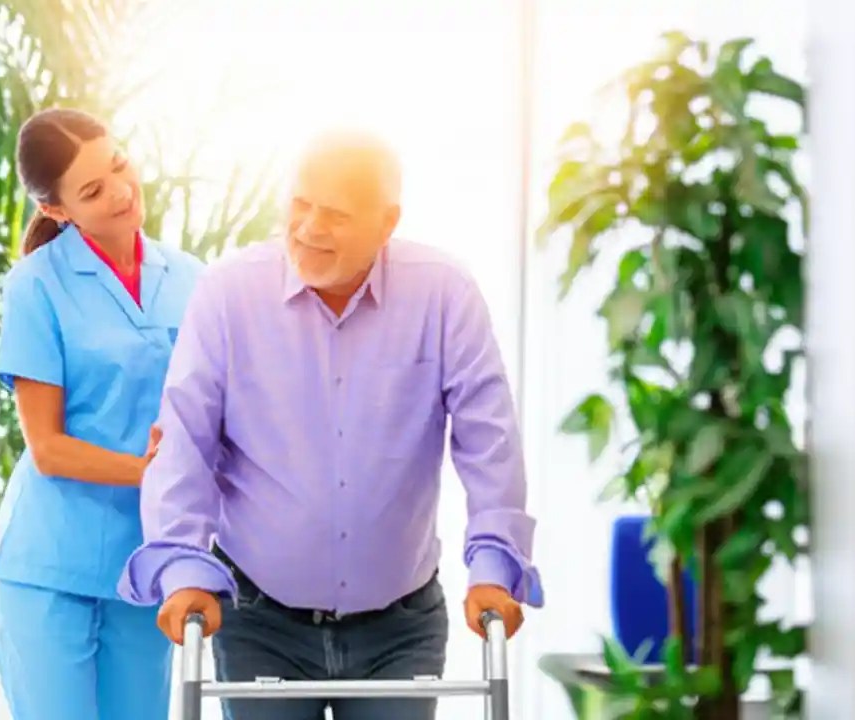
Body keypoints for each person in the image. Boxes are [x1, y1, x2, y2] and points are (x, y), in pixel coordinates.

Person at [117, 129, 544, 720]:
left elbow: (489, 435)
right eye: (300, 205)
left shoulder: (443, 293)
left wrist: (494, 564)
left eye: (336, 214)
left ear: (386, 222)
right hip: (261, 618)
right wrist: (184, 563)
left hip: (401, 626)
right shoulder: (229, 294)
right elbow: (184, 438)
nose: (309, 229)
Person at [0, 107, 205, 720]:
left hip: (142, 569)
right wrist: (155, 472)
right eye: (92, 190)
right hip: (50, 567)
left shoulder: (191, 278)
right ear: (56, 210)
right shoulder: (36, 286)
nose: (121, 192)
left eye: (119, 165)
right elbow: (48, 448)